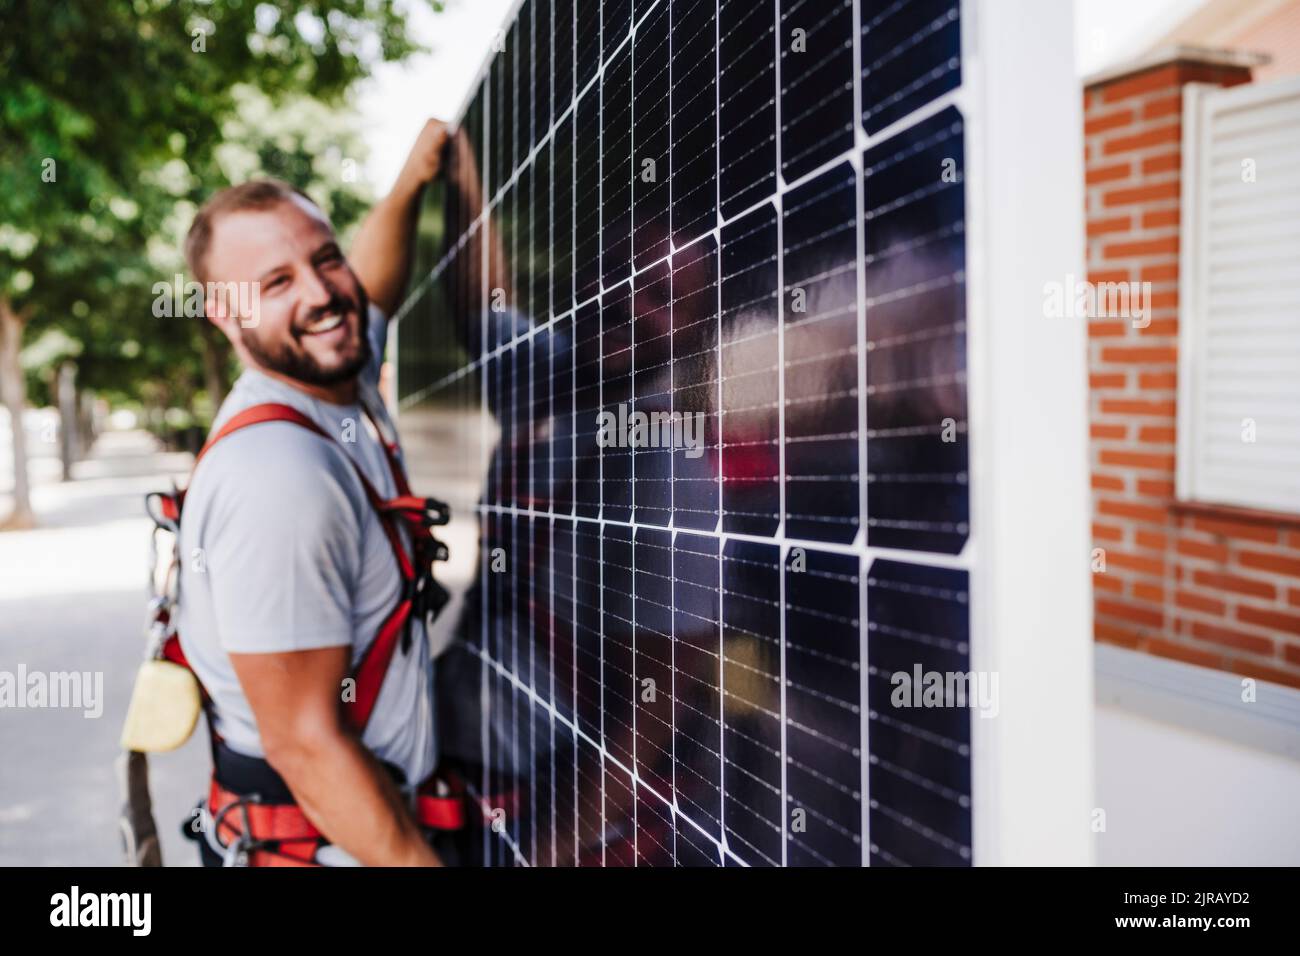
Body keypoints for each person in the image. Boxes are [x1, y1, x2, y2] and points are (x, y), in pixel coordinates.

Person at [177, 119, 454, 867]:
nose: (323, 294)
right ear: (224, 312)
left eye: (325, 258)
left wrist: (407, 182)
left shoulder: (330, 378)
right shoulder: (281, 475)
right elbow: (304, 742)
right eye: (276, 283)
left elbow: (371, 289)